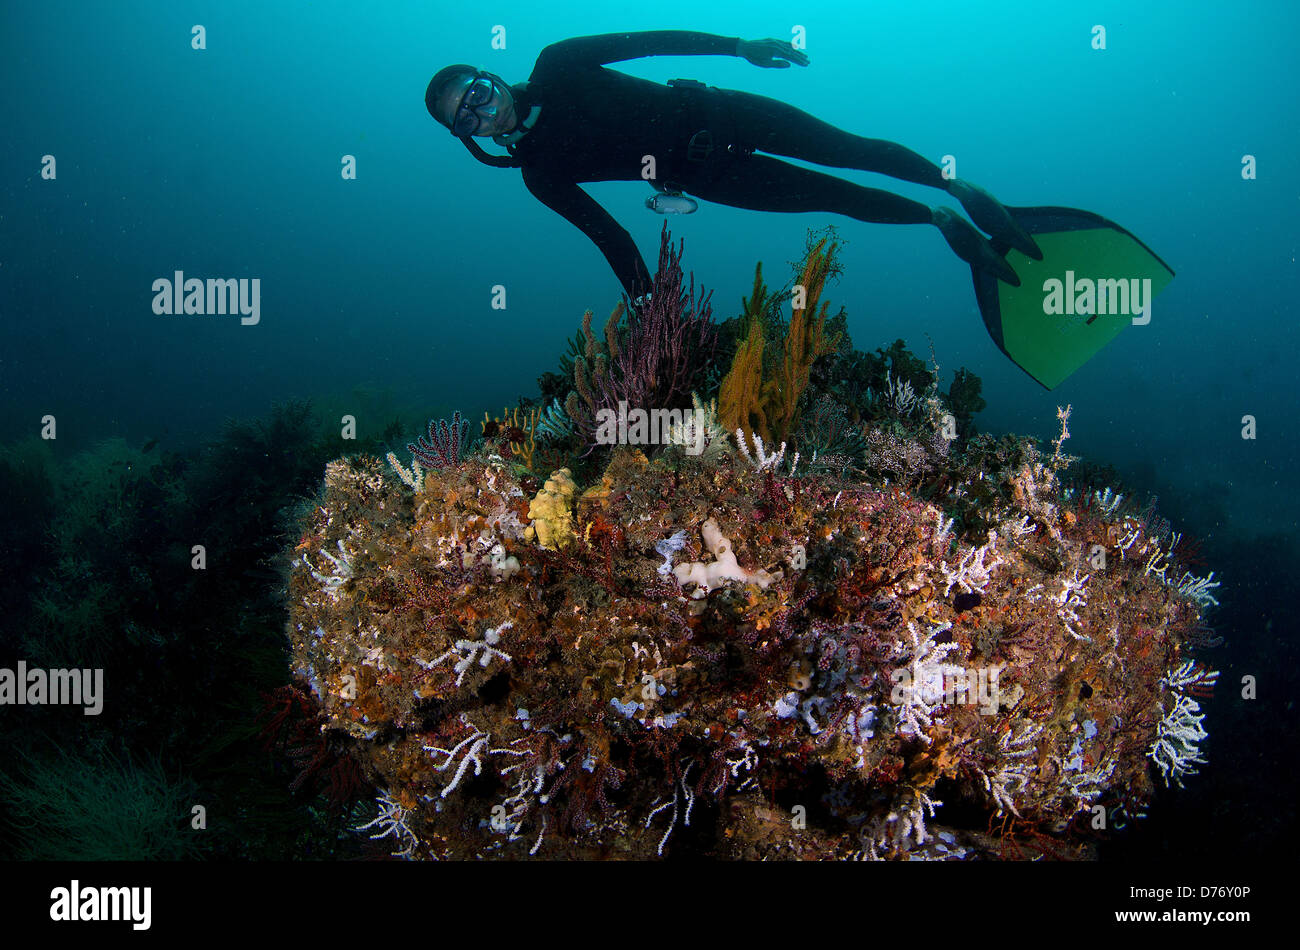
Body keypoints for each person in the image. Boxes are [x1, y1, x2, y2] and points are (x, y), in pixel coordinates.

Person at [425, 30, 1040, 304]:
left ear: (490, 74)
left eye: (476, 92)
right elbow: (607, 234)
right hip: (712, 179)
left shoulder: (558, 63)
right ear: (464, 135)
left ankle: (953, 186)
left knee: (851, 148)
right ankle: (939, 218)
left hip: (726, 114)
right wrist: (652, 308)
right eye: (464, 119)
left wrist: (738, 48)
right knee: (836, 197)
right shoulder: (540, 174)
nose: (481, 112)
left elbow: (650, 41)